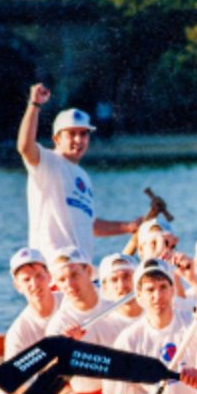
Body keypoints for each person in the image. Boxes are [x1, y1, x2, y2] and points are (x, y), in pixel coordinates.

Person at [17, 83, 142, 262]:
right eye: (72, 134)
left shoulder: (83, 176)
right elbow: (24, 147)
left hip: (81, 269)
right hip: (53, 269)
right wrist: (34, 105)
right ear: (57, 138)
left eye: (83, 134)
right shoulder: (47, 162)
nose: (78, 140)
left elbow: (90, 225)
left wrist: (130, 226)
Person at [104, 258, 197, 394]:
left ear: (173, 290)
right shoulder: (129, 339)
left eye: (163, 287)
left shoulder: (194, 324)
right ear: (139, 296)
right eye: (150, 290)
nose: (158, 296)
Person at [44, 246, 128, 394]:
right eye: (62, 280)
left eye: (74, 275)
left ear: (88, 272)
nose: (69, 284)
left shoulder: (115, 302)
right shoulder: (58, 326)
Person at [4, 247, 61, 359]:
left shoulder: (72, 304)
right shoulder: (18, 333)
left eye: (39, 276)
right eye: (26, 279)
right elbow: (11, 375)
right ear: (17, 286)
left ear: (49, 277)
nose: (34, 284)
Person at [98, 252, 142, 330]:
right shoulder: (101, 327)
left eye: (126, 276)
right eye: (114, 279)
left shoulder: (158, 312)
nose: (122, 285)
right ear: (105, 287)